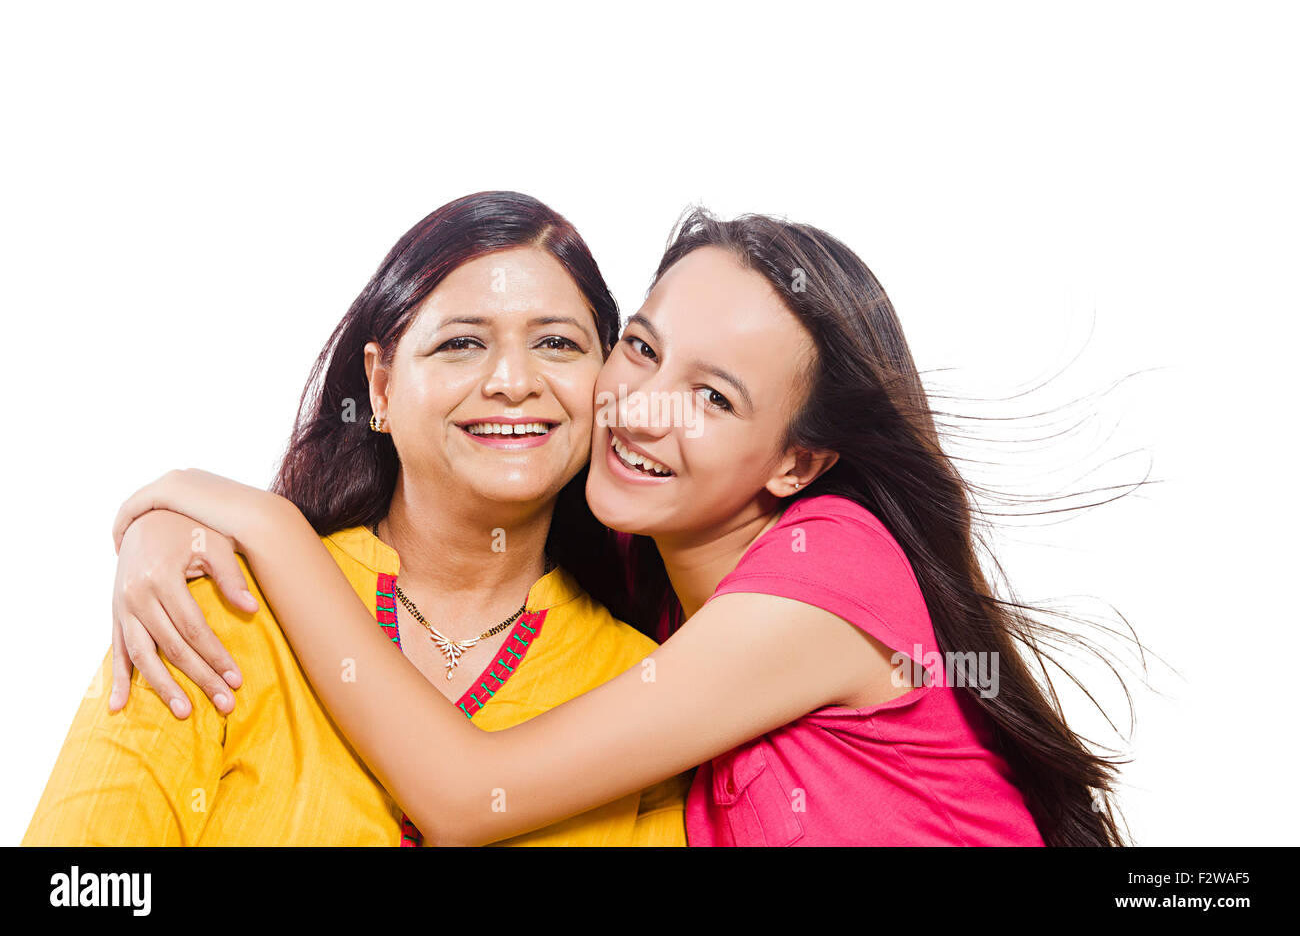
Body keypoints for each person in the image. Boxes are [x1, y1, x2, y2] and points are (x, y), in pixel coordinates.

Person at [96, 209, 1131, 846]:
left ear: (798, 462)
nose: (640, 409)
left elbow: (467, 793)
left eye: (714, 398)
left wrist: (262, 523)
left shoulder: (829, 568)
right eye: (640, 348)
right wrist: (165, 532)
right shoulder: (649, 578)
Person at [21, 191, 690, 847]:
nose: (514, 381)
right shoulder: (213, 612)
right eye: (461, 343)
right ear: (381, 386)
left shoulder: (642, 689)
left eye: (557, 343)